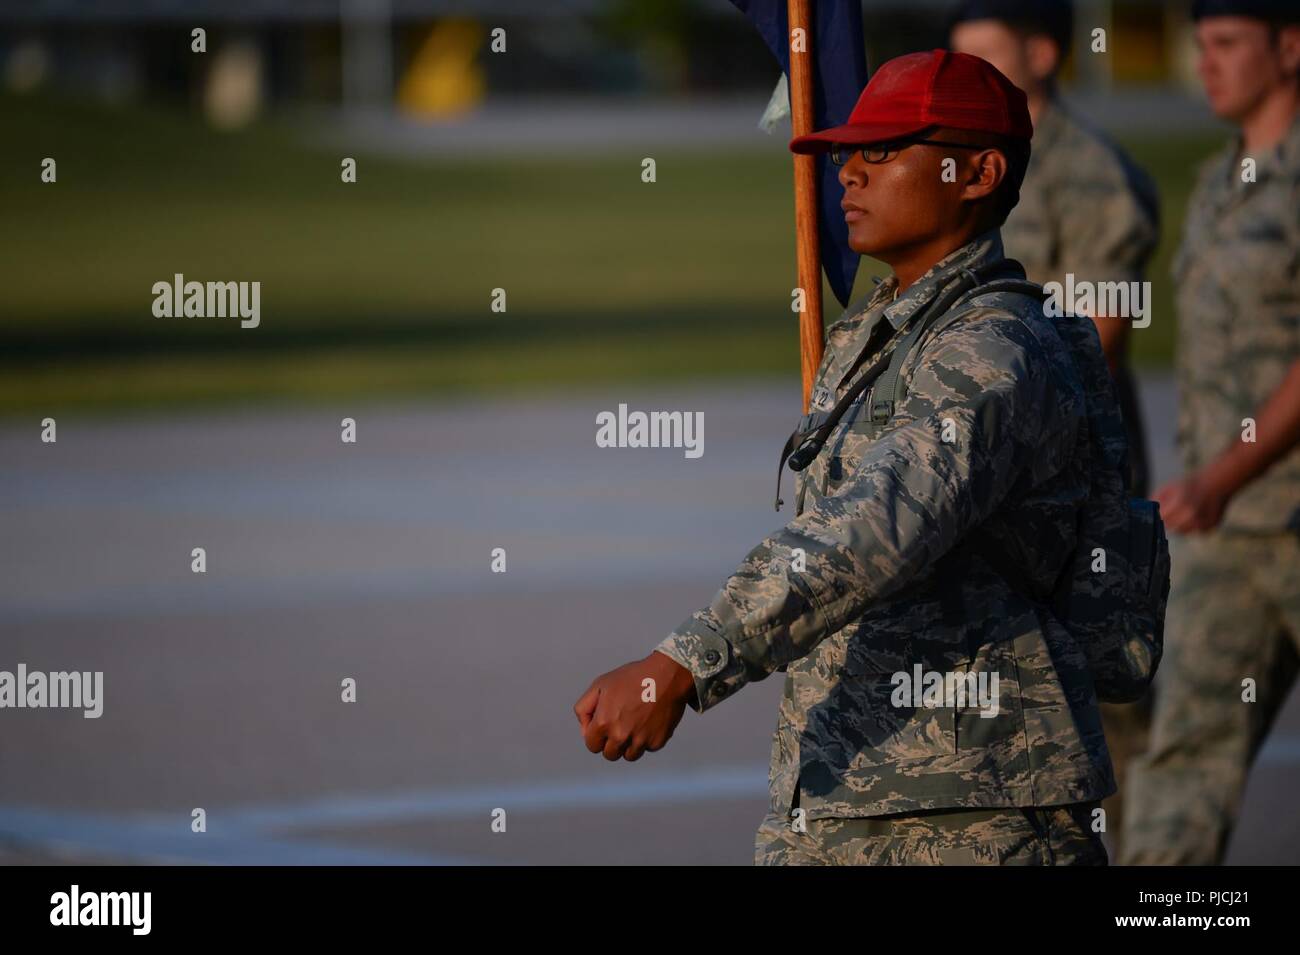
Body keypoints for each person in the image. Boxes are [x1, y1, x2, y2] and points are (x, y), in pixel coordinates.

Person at [574, 50, 1129, 865]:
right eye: (847, 152)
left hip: (973, 808)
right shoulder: (886, 333)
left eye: (883, 150)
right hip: (846, 786)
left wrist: (688, 660)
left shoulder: (993, 349)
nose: (848, 174)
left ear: (977, 172)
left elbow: (878, 523)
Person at [949, 0, 1160, 860]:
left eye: (988, 58)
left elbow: (1095, 347)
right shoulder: (968, 164)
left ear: (1043, 53)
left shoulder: (1089, 173)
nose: (970, 77)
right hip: (987, 483)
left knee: (1110, 712)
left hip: (1073, 485)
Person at [1121, 0, 1300, 866]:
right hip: (1227, 533)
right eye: (1201, 46)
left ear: (1291, 47)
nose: (1209, 64)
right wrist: (1215, 485)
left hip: (1266, 503)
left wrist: (1222, 474)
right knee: (1182, 759)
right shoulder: (1220, 180)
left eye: (1229, 44)